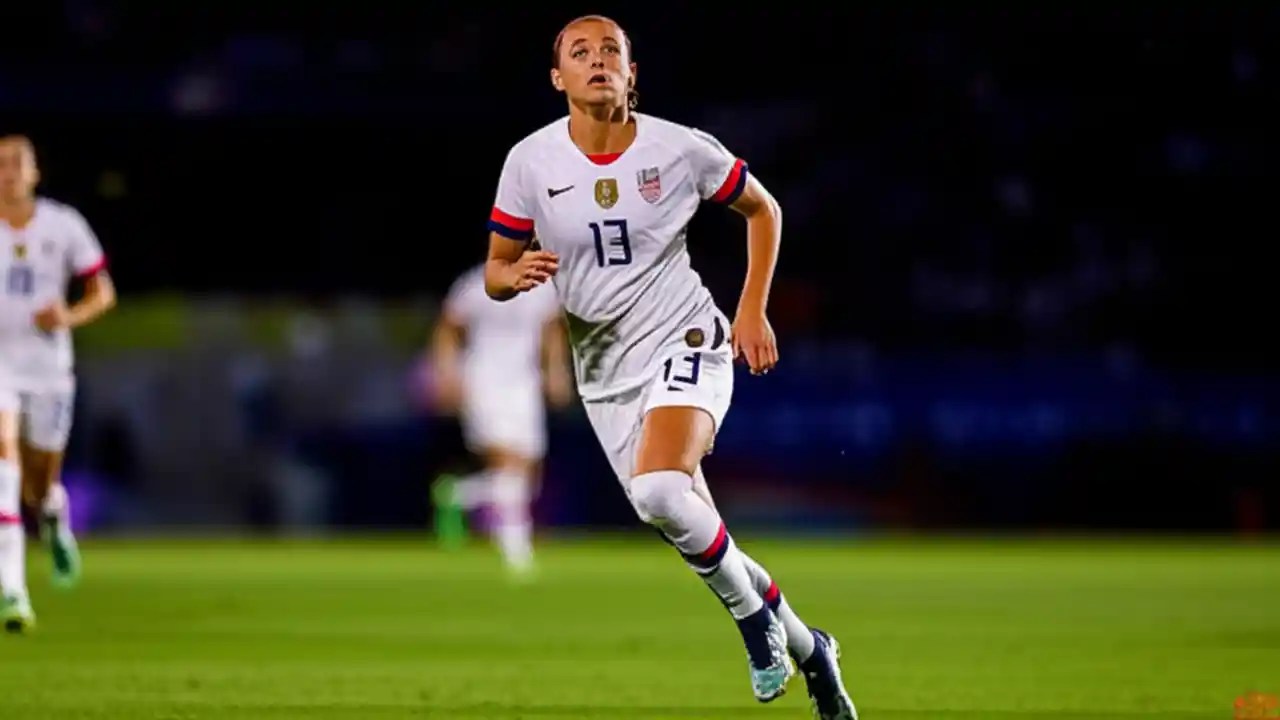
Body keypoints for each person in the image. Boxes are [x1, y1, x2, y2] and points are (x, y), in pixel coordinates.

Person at [480, 15, 857, 717]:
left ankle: (755, 630)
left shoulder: (678, 149)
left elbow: (762, 209)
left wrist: (751, 310)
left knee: (657, 491)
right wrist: (515, 274)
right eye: (580, 53)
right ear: (557, 77)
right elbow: (494, 273)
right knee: (690, 522)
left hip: (686, 337)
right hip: (604, 370)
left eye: (611, 51)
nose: (597, 61)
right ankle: (813, 648)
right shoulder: (530, 163)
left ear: (633, 73)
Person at [0, 135, 117, 632]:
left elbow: (103, 292)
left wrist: (67, 315)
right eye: (0, 164)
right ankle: (13, 592)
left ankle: (53, 513)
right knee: (3, 470)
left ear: (35, 172)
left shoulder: (63, 225)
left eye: (17, 164)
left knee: (36, 485)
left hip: (48, 369)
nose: (8, 172)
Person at [429, 262, 571, 578]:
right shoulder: (473, 283)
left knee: (528, 473)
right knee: (510, 463)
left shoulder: (542, 286)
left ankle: (460, 494)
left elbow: (552, 332)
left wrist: (556, 373)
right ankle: (516, 550)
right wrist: (447, 375)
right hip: (483, 381)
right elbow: (448, 329)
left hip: (524, 384)